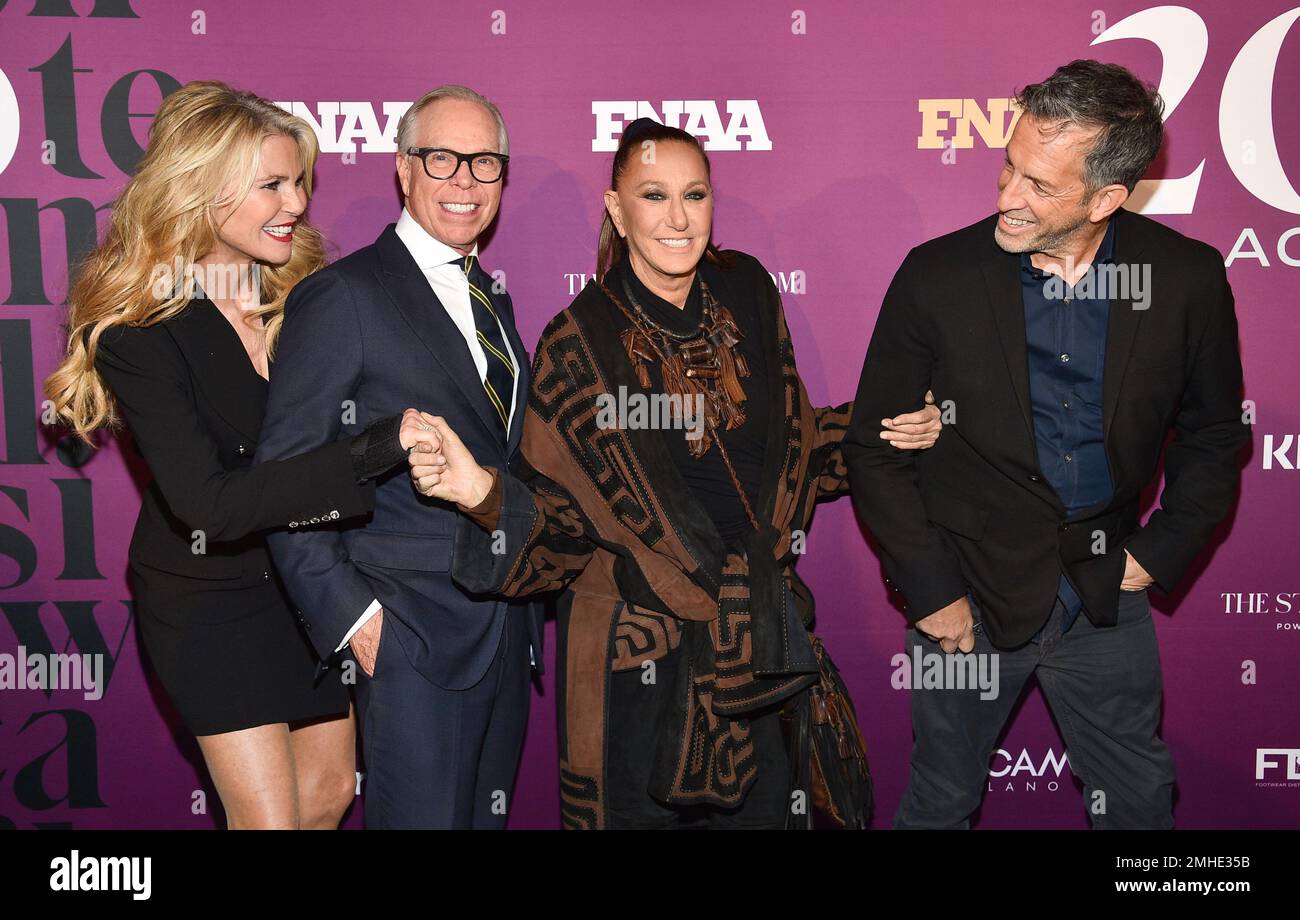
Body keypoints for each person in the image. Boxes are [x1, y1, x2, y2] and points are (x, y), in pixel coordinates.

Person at [406, 117, 942, 829]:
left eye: (696, 195)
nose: (679, 218)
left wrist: (887, 428)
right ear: (616, 208)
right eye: (654, 196)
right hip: (639, 672)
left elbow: (790, 454)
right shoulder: (578, 345)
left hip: (761, 645)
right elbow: (559, 529)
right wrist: (481, 496)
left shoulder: (747, 289)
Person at [844, 60, 1248, 829]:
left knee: (1138, 807)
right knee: (940, 801)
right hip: (969, 596)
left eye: (1039, 186)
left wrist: (1153, 557)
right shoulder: (938, 275)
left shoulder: (1186, 279)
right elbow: (875, 448)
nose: (1007, 197)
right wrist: (933, 593)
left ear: (1106, 198)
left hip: (1104, 596)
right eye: (1009, 166)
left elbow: (1213, 434)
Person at [43, 81, 429, 829]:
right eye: (273, 186)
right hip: (207, 597)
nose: (296, 205)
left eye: (299, 184)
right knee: (270, 824)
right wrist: (371, 453)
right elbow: (210, 504)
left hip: (299, 585)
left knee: (326, 799)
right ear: (202, 191)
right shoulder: (141, 332)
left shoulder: (307, 301)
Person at [255, 85, 542, 829]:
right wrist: (358, 621)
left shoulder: (494, 304)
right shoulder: (342, 297)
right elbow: (286, 481)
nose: (465, 180)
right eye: (441, 158)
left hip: (505, 630)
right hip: (411, 633)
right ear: (403, 170)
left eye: (485, 163)